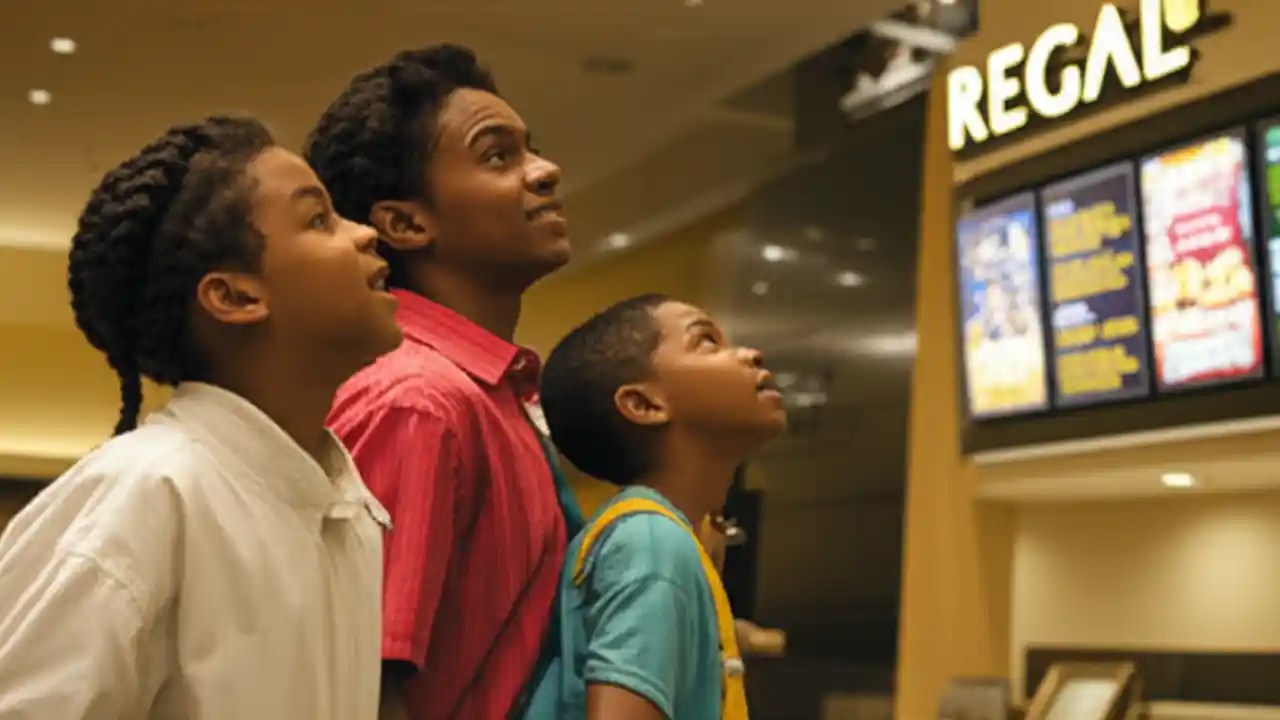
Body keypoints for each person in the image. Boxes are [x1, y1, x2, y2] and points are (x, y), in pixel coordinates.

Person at [0, 115, 402, 719]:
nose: (365, 233)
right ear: (235, 297)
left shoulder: (346, 509)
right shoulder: (148, 491)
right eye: (318, 219)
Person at [305, 44, 583, 720]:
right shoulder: (418, 402)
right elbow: (363, 682)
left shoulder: (491, 395)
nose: (544, 172)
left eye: (530, 149)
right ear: (404, 223)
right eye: (498, 156)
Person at [527, 294, 788, 720]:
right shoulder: (651, 541)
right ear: (644, 405)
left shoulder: (666, 535)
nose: (750, 354)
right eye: (707, 342)